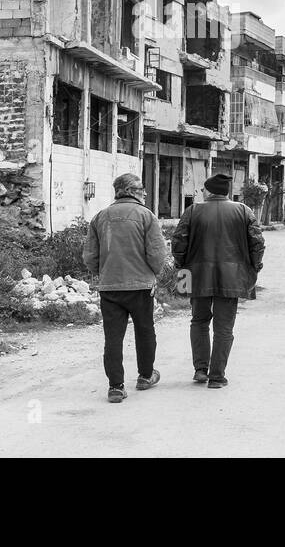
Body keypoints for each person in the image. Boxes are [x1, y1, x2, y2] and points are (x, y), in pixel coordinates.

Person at [171, 173, 265, 389]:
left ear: (209, 191)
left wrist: (181, 265)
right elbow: (257, 243)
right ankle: (217, 377)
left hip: (197, 275)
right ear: (226, 192)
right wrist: (254, 267)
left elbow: (178, 241)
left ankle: (200, 370)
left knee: (199, 321)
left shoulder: (193, 210)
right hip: (232, 277)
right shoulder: (243, 210)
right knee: (224, 328)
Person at [83, 173, 167, 403]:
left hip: (110, 287)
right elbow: (157, 254)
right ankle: (145, 376)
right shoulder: (146, 215)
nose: (145, 193)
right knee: (145, 330)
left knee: (113, 338)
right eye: (141, 188)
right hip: (140, 286)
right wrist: (153, 273)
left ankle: (115, 387)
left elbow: (90, 257)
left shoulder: (100, 217)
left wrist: (103, 271)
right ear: (132, 191)